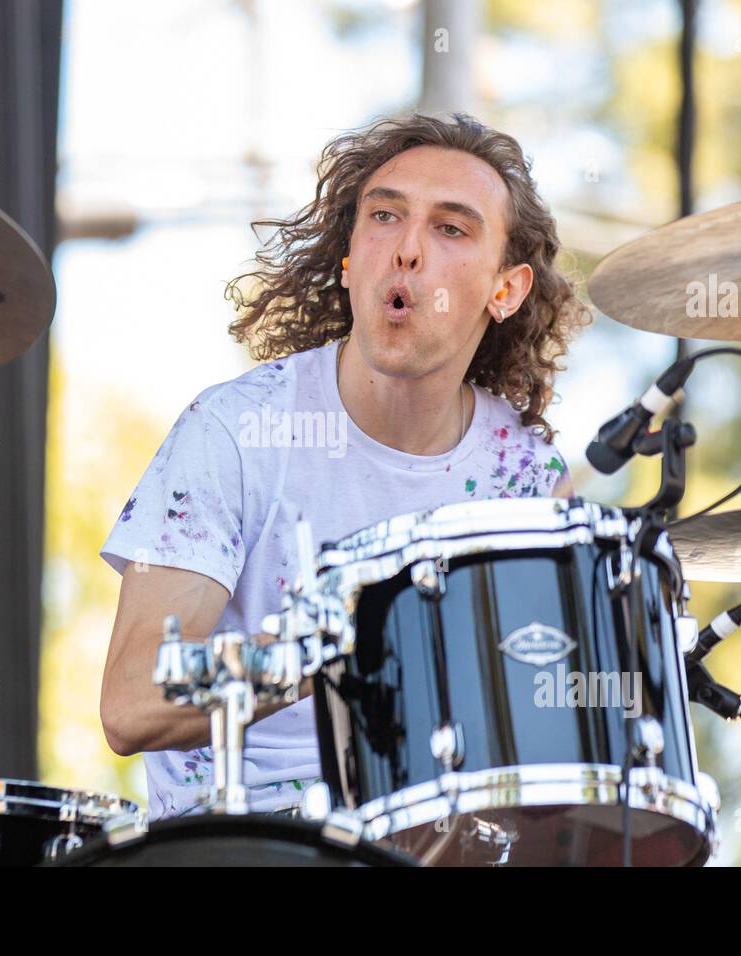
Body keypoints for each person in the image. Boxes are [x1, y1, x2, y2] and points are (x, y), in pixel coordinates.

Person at [99, 112, 591, 820]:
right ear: (350, 260)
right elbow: (131, 701)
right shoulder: (236, 430)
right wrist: (346, 642)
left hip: (434, 839)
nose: (408, 250)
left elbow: (544, 731)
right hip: (242, 843)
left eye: (451, 228)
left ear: (505, 290)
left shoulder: (527, 477)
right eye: (385, 217)